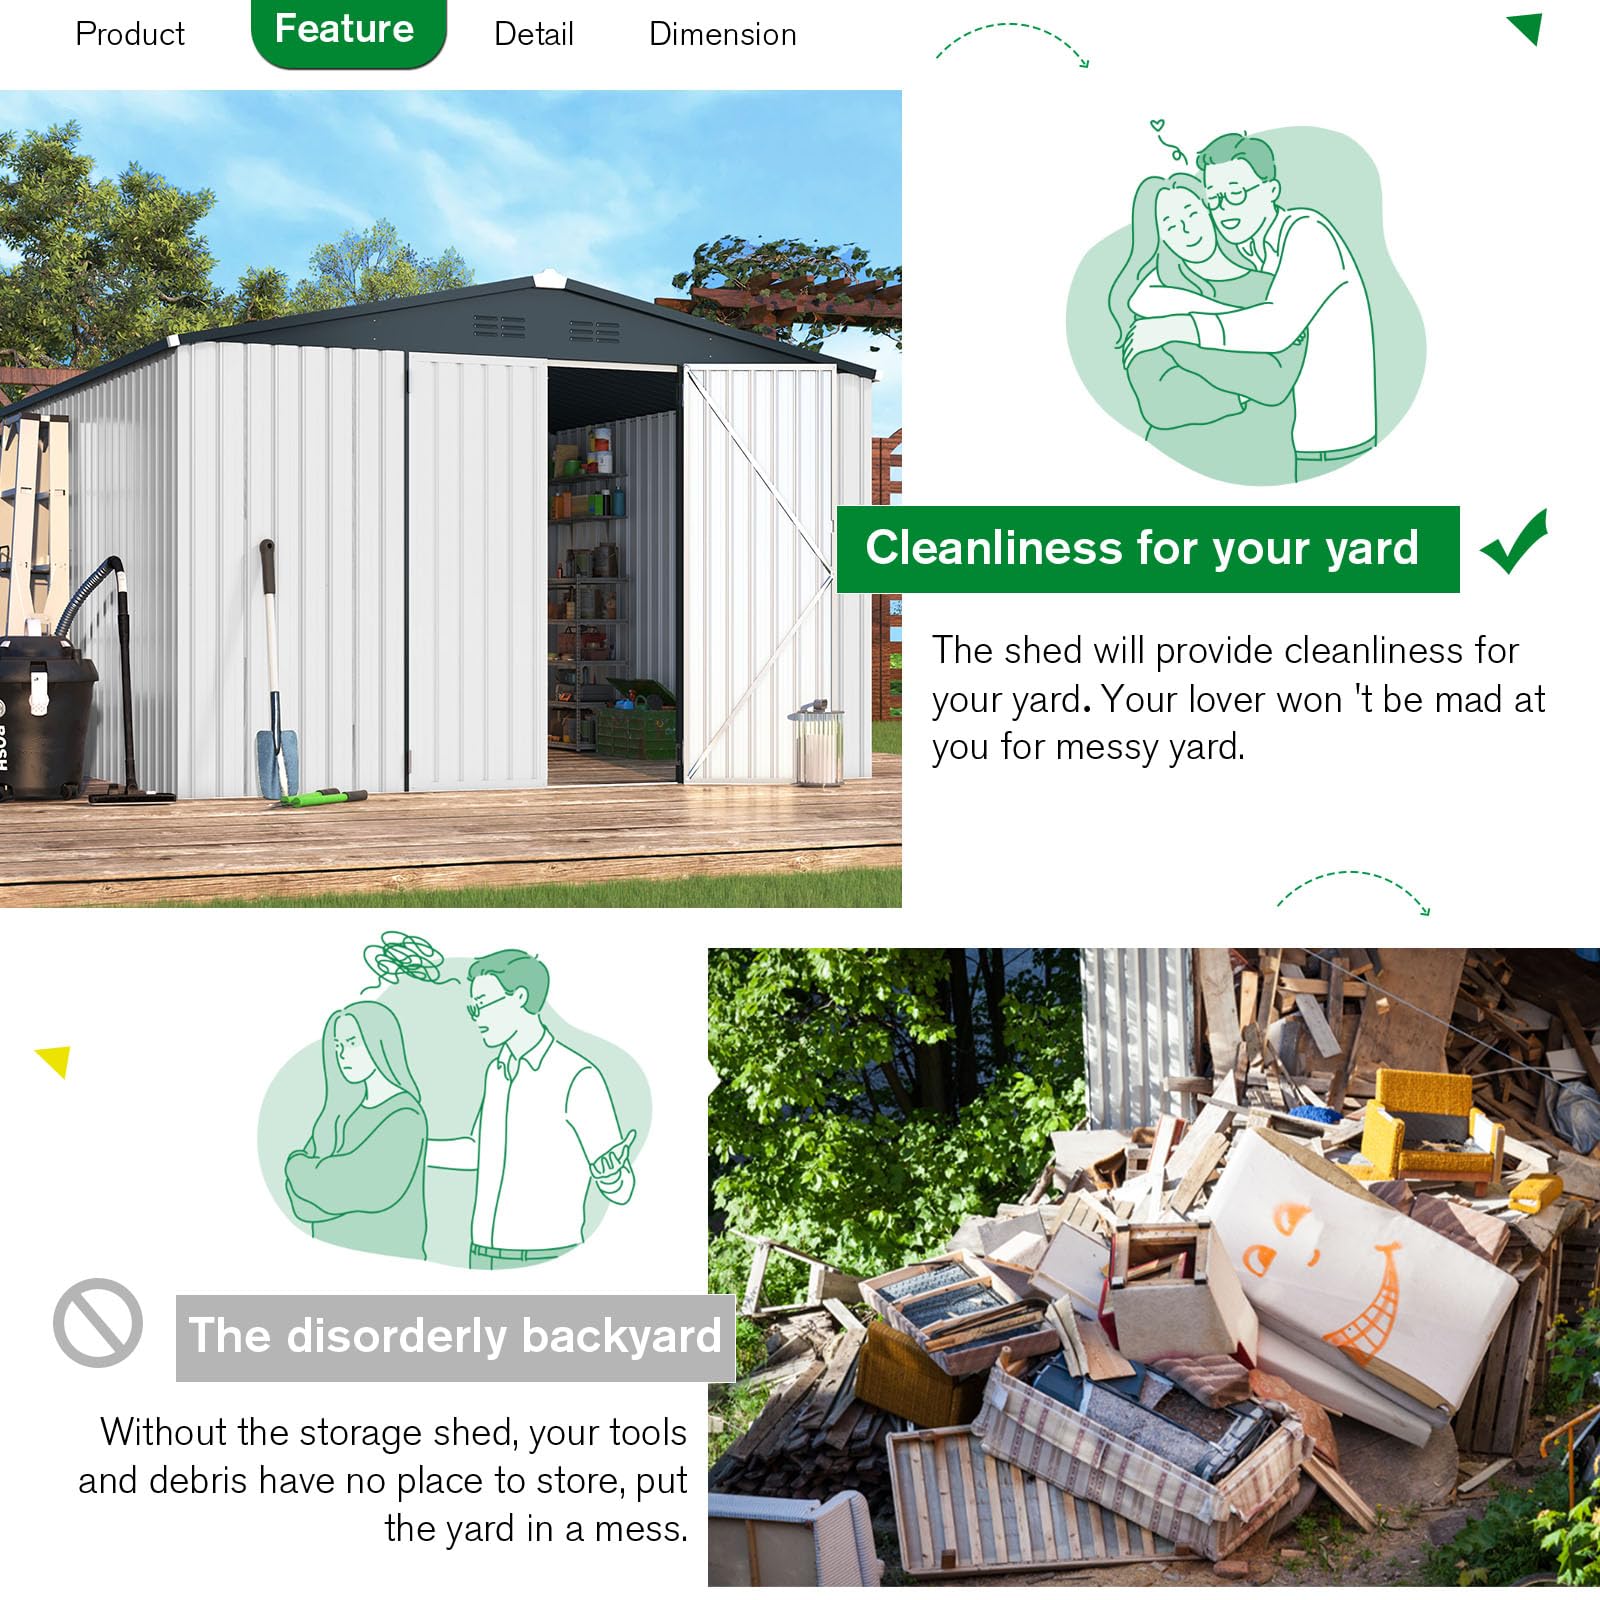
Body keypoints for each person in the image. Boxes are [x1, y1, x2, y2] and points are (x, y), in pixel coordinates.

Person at [1121, 132, 1375, 479]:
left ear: (1272, 191)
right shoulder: (1249, 258)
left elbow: (1275, 338)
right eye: (1214, 198)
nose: (1224, 208)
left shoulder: (1306, 236)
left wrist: (1177, 336)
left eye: (1236, 193)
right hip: (1183, 462)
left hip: (1329, 446)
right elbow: (1159, 402)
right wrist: (1238, 389)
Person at [427, 950, 637, 1268]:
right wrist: (409, 1147)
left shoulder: (578, 1077)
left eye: (482, 1004)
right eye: (473, 1008)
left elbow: (623, 1190)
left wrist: (610, 1176)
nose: (477, 1017)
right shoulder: (496, 1072)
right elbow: (475, 1152)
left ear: (520, 997)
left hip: (548, 1258)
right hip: (481, 1256)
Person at [1110, 172, 1306, 485]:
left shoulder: (1272, 289)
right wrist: (1241, 396)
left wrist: (1176, 336)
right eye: (1170, 226)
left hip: (1264, 465)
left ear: (1211, 210)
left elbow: (1274, 381)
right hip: (1174, 467)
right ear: (1160, 239)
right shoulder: (1151, 301)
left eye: (1192, 213)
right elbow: (1160, 403)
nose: (1186, 229)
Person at [285, 1003, 428, 1260]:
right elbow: (301, 1199)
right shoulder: (338, 1113)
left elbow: (362, 1188)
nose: (343, 1055)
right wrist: (322, 1189)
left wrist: (297, 1167)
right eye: (338, 1046)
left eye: (352, 1043)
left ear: (380, 1043)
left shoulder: (406, 1116)